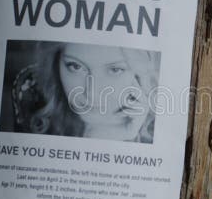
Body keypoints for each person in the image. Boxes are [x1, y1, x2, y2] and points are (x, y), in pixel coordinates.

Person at [14, 41, 158, 143]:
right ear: (55, 62)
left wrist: (112, 134)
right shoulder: (32, 89)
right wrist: (93, 136)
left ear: (139, 74)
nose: (92, 94)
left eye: (115, 70)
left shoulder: (160, 133)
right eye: (75, 66)